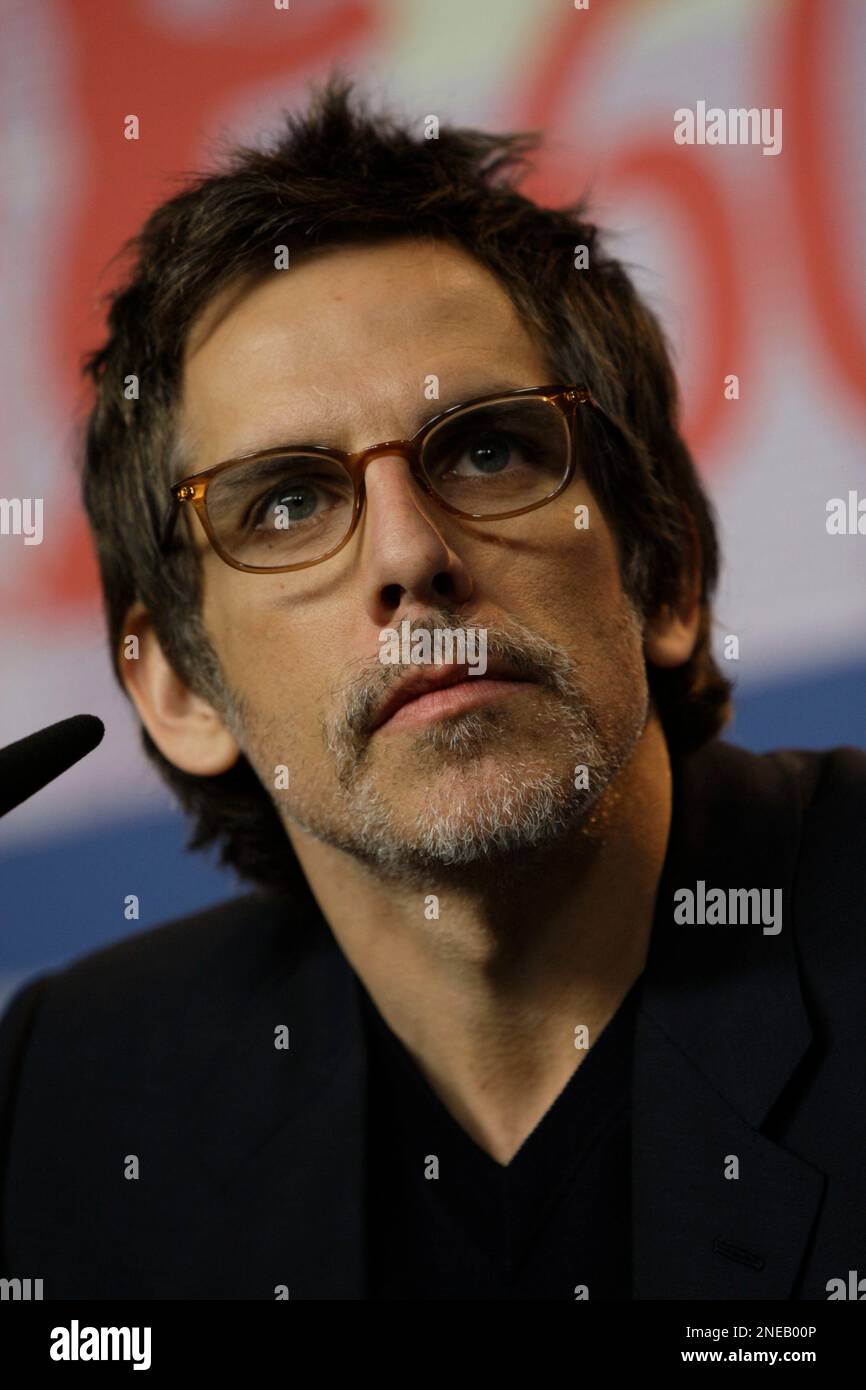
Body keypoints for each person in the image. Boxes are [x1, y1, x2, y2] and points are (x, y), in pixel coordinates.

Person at [1, 73, 863, 1301]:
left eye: (489, 448)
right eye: (287, 502)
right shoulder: (76, 1095)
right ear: (178, 687)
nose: (409, 555)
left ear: (660, 570)